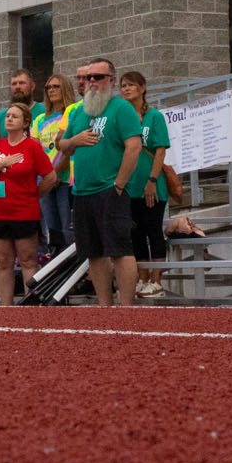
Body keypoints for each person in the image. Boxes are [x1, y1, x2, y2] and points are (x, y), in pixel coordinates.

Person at [55, 57, 145, 307]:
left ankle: (126, 307)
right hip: (82, 191)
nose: (91, 82)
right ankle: (105, 307)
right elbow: (61, 145)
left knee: (120, 249)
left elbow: (134, 147)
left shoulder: (121, 108)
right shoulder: (80, 110)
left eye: (98, 77)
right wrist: (74, 141)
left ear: (111, 80)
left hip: (110, 190)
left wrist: (119, 184)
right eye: (88, 77)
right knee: (92, 253)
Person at [0, 103, 56, 306]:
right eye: (8, 116)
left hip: (24, 212)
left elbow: (50, 176)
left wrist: (34, 195)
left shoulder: (32, 147)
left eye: (15, 116)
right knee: (2, 261)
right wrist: (0, 164)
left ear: (25, 123)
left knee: (28, 260)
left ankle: (30, 306)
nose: (9, 119)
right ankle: (6, 307)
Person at [117, 71, 172, 298]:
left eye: (130, 85)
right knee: (135, 233)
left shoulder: (154, 117)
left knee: (153, 230)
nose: (126, 89)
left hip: (151, 184)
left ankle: (157, 280)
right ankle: (142, 278)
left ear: (142, 87)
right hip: (129, 185)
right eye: (123, 86)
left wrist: (152, 180)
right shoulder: (121, 116)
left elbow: (160, 150)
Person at [32, 73, 78, 254]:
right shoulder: (39, 120)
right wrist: (47, 176)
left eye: (56, 86)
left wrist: (56, 173)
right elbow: (36, 151)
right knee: (51, 229)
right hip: (45, 180)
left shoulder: (71, 114)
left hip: (64, 179)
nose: (51, 90)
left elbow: (68, 149)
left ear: (65, 88)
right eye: (48, 87)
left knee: (67, 228)